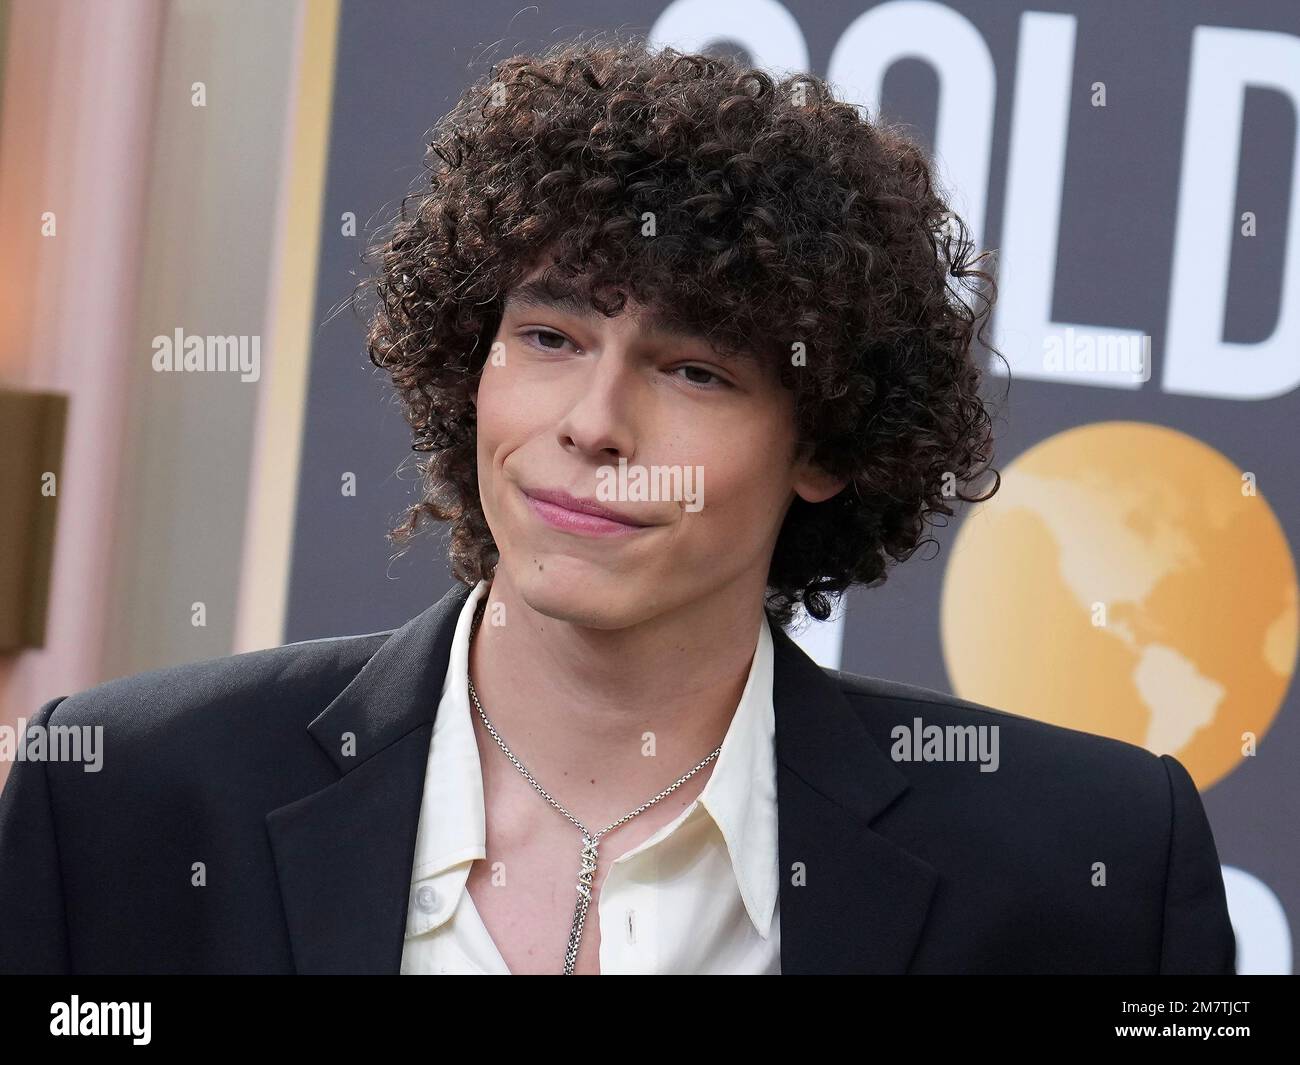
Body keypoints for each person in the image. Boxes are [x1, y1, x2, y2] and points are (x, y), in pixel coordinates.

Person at [0, 37, 1234, 975]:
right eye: (547, 336)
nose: (593, 422)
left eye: (695, 370)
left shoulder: (1093, 868)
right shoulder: (123, 794)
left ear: (826, 442)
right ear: (464, 366)